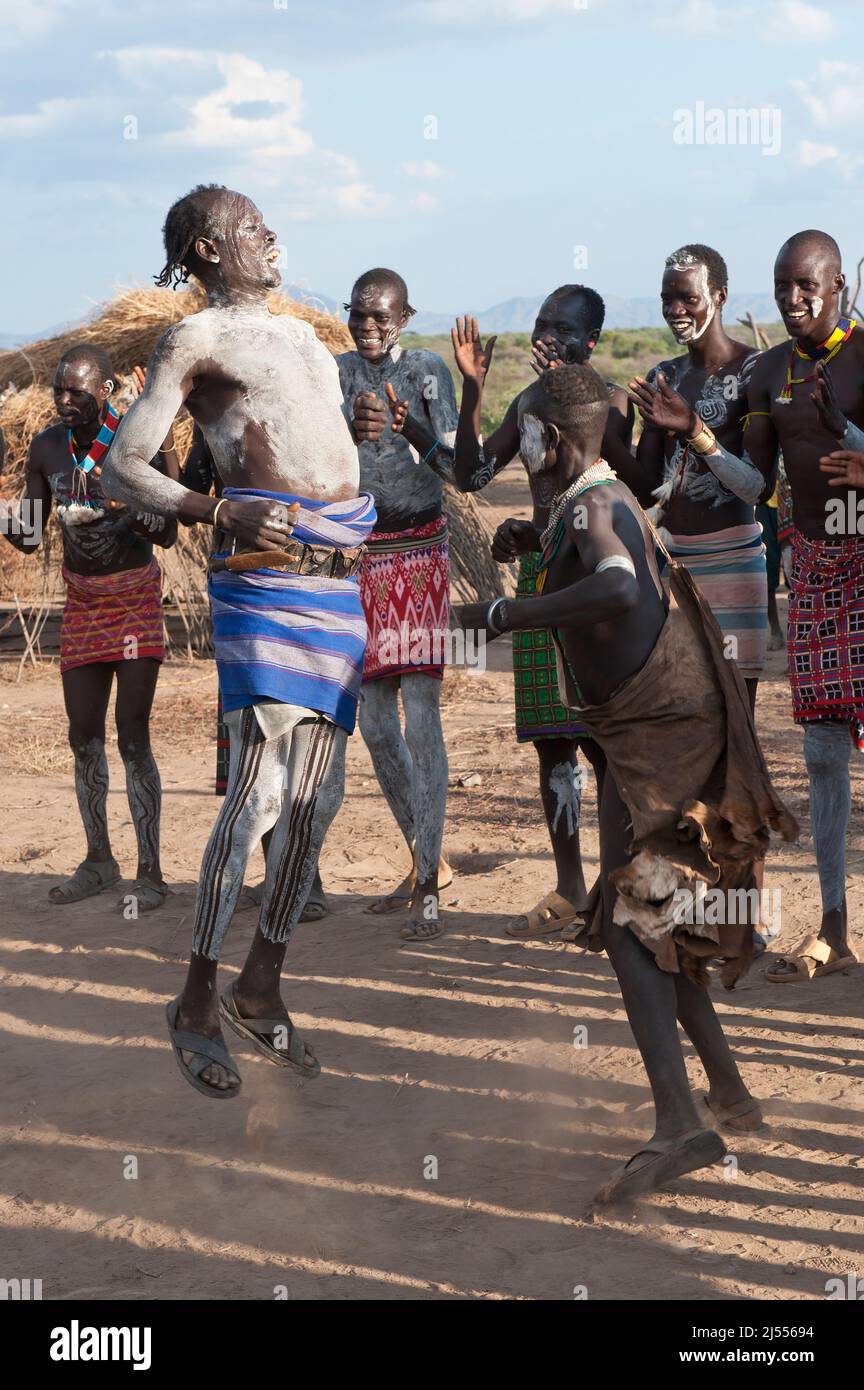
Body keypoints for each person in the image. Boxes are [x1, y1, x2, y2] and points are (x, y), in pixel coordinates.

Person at [456, 363, 797, 1202]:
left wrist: (504, 614)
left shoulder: (602, 506)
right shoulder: (587, 504)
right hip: (645, 739)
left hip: (664, 745)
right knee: (652, 918)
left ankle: (681, 1124)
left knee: (629, 925)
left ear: (560, 440)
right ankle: (727, 1091)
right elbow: (604, 574)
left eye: (525, 430)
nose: (516, 444)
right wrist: (537, 547)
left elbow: (615, 583)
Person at [102, 184, 376, 1097]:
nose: (269, 230)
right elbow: (124, 466)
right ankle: (193, 1000)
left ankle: (263, 983)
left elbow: (316, 451)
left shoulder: (309, 337)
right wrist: (215, 508)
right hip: (263, 584)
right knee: (258, 797)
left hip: (337, 589)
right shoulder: (195, 340)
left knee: (318, 803)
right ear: (211, 251)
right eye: (248, 224)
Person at [629, 228, 862, 986]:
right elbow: (757, 486)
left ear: (839, 288)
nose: (795, 300)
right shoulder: (772, 374)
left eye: (809, 286)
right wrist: (697, 436)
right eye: (784, 285)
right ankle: (833, 927)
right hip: (817, 570)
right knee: (824, 755)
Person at [445, 287, 633, 939]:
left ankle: (616, 893)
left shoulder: (610, 404)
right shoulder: (526, 403)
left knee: (604, 741)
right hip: (540, 574)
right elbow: (469, 476)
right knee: (552, 743)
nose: (548, 337)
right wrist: (473, 390)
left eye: (564, 329)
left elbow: (623, 492)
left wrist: (548, 531)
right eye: (541, 325)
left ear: (592, 343)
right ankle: (570, 886)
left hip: (592, 581)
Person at [2, 345, 178, 913]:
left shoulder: (131, 441)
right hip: (82, 602)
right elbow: (29, 536)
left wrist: (122, 508)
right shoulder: (48, 448)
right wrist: (6, 516)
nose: (64, 399)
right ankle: (99, 859)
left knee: (132, 734)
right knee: (83, 737)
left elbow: (168, 532)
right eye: (59, 389)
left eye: (76, 391)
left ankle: (150, 871)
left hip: (132, 598)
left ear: (104, 391)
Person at [337, 267, 455, 942]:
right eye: (359, 315)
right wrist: (349, 434)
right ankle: (422, 859)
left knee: (421, 720)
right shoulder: (335, 375)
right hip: (365, 556)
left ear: (404, 318)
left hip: (421, 552)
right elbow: (324, 462)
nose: (369, 326)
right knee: (377, 727)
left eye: (382, 317)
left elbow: (457, 467)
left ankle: (430, 880)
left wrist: (414, 435)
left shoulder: (428, 372)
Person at [612, 245, 768, 705]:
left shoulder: (754, 369)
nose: (675, 310)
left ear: (718, 296)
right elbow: (645, 489)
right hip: (672, 563)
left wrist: (695, 431)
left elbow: (759, 487)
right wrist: (599, 434)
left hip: (734, 559)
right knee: (680, 709)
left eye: (687, 298)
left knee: (737, 714)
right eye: (666, 299)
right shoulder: (665, 375)